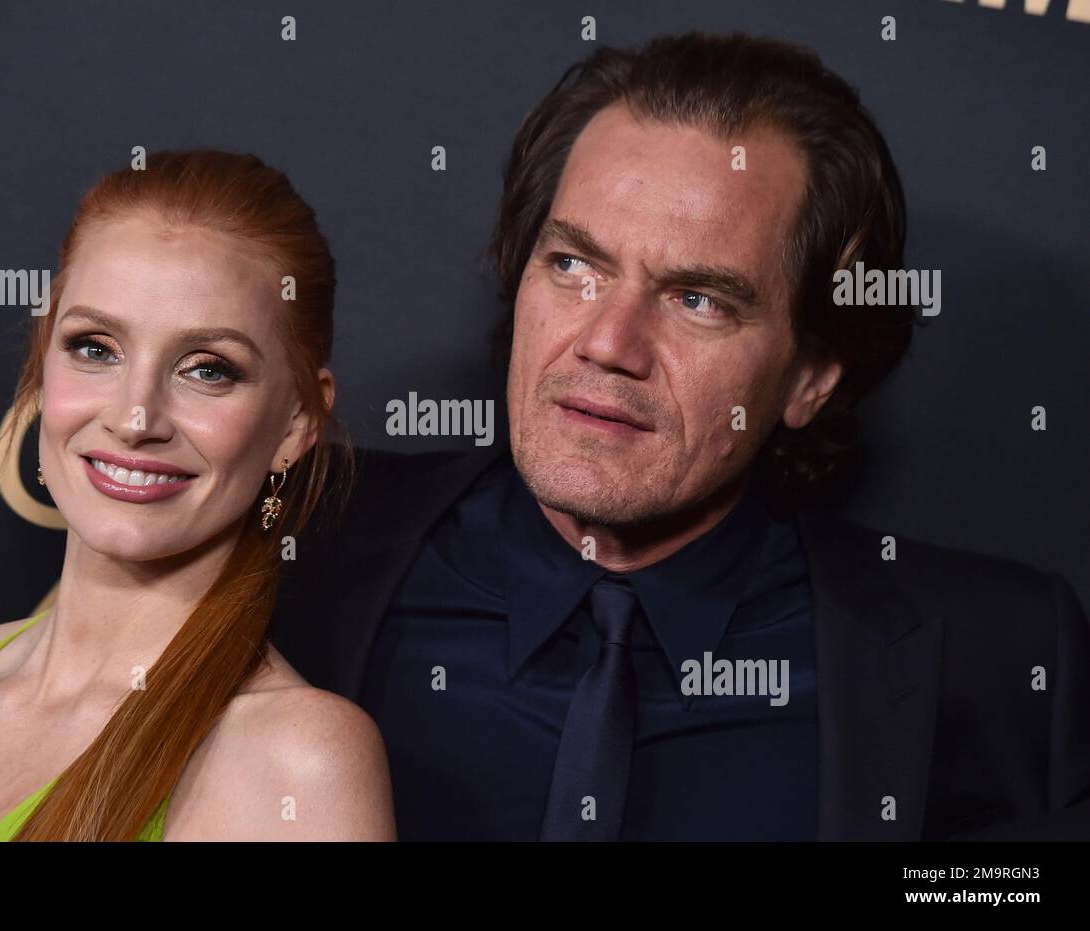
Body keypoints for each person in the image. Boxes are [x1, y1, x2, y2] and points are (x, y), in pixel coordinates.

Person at [260, 32, 1090, 841]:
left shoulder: (1000, 658)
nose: (608, 343)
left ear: (812, 378)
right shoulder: (295, 539)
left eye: (699, 299)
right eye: (574, 266)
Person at [0, 150, 395, 841]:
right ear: (42, 362)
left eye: (208, 369)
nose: (135, 418)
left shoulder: (297, 762)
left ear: (295, 423)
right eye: (96, 348)